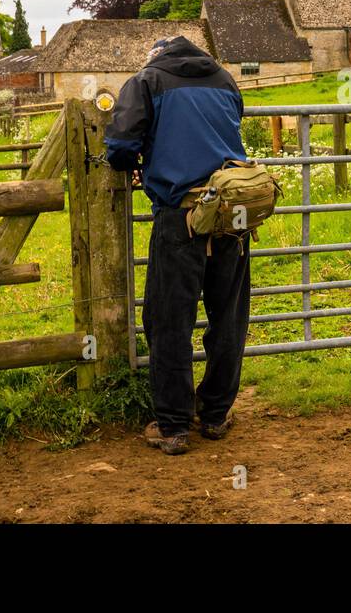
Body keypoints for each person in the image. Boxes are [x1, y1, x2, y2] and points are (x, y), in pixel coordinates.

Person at [104, 35, 251, 456]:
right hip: (232, 212)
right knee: (228, 316)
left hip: (182, 214)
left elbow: (121, 145)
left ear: (156, 56)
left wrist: (132, 165)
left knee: (169, 319)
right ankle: (216, 413)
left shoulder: (147, 80)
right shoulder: (224, 78)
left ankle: (172, 426)